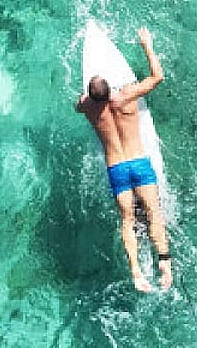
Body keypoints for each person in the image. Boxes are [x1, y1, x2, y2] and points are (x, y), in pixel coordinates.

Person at [75, 27, 172, 292]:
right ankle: (164, 264)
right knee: (153, 212)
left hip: (117, 168)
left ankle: (136, 273)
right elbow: (157, 77)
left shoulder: (89, 108)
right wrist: (147, 45)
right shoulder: (126, 96)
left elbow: (78, 106)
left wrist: (85, 100)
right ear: (110, 89)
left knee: (127, 219)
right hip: (139, 163)